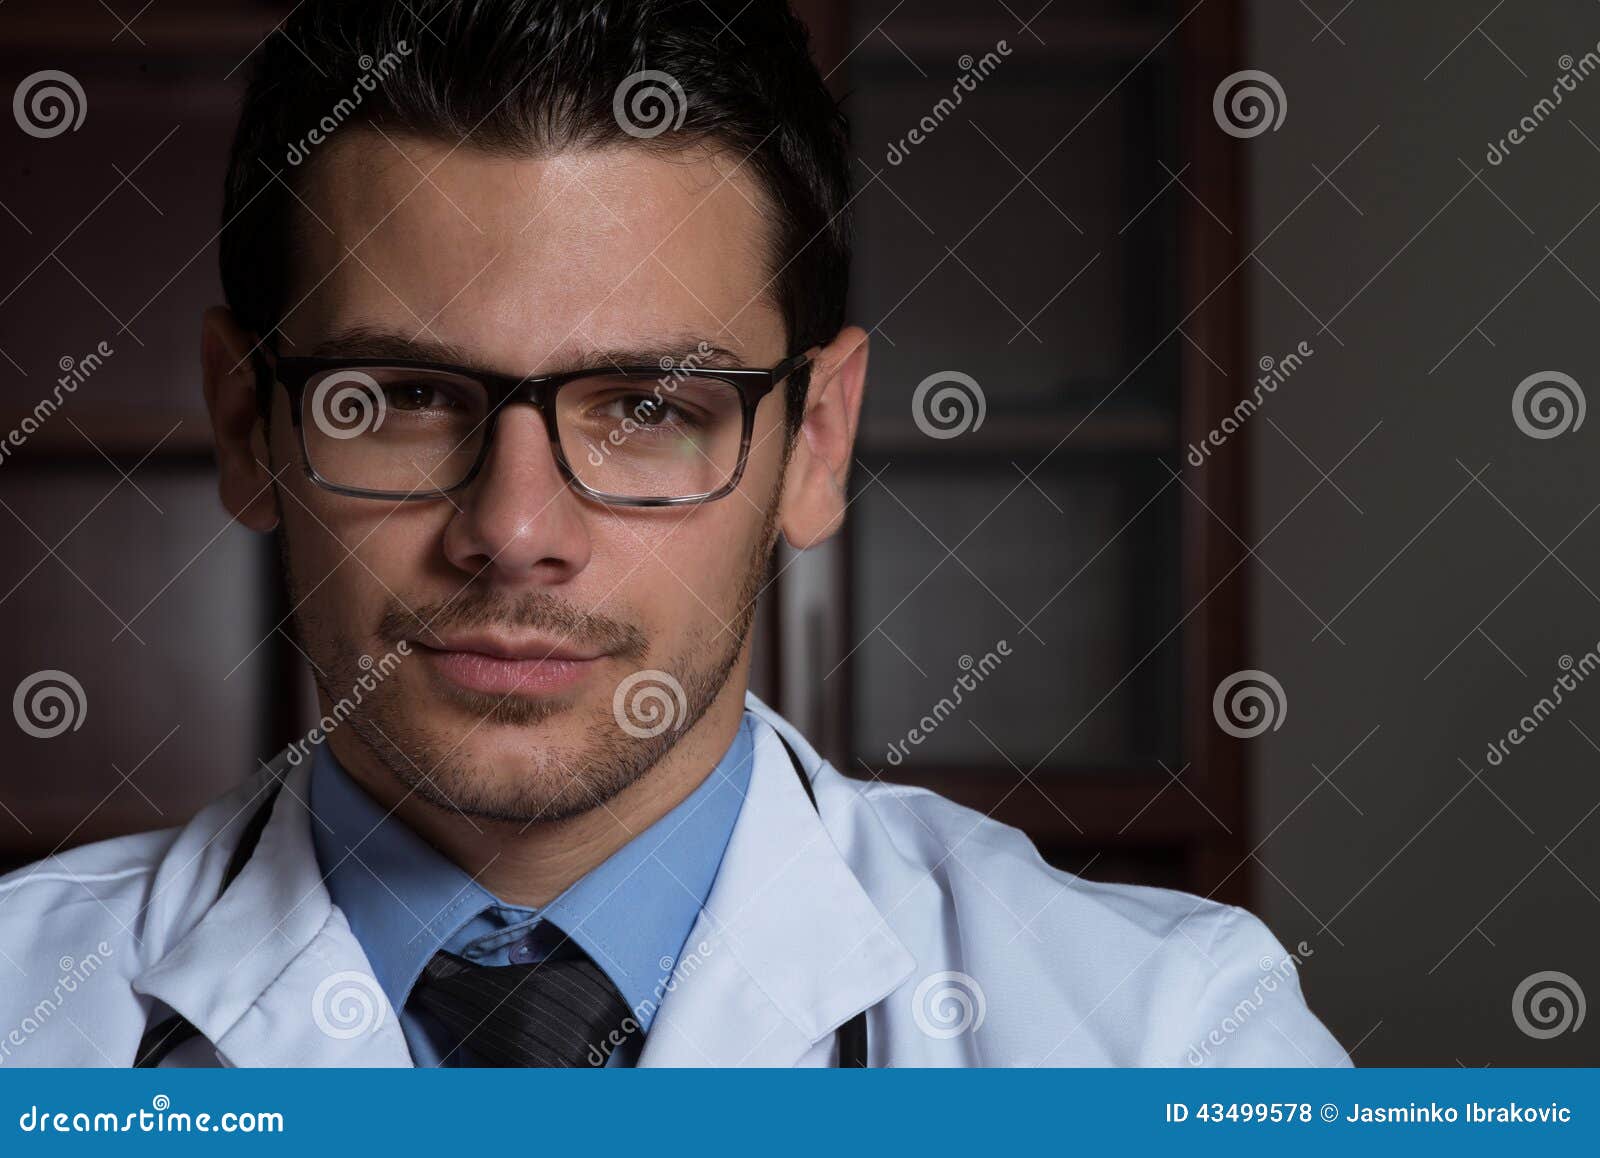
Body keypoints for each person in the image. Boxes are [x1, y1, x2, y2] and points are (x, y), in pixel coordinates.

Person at [0, 0, 1348, 1068]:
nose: (515, 529)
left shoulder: (1172, 1041)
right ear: (249, 427)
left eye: (647, 405)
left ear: (814, 443)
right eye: (405, 397)